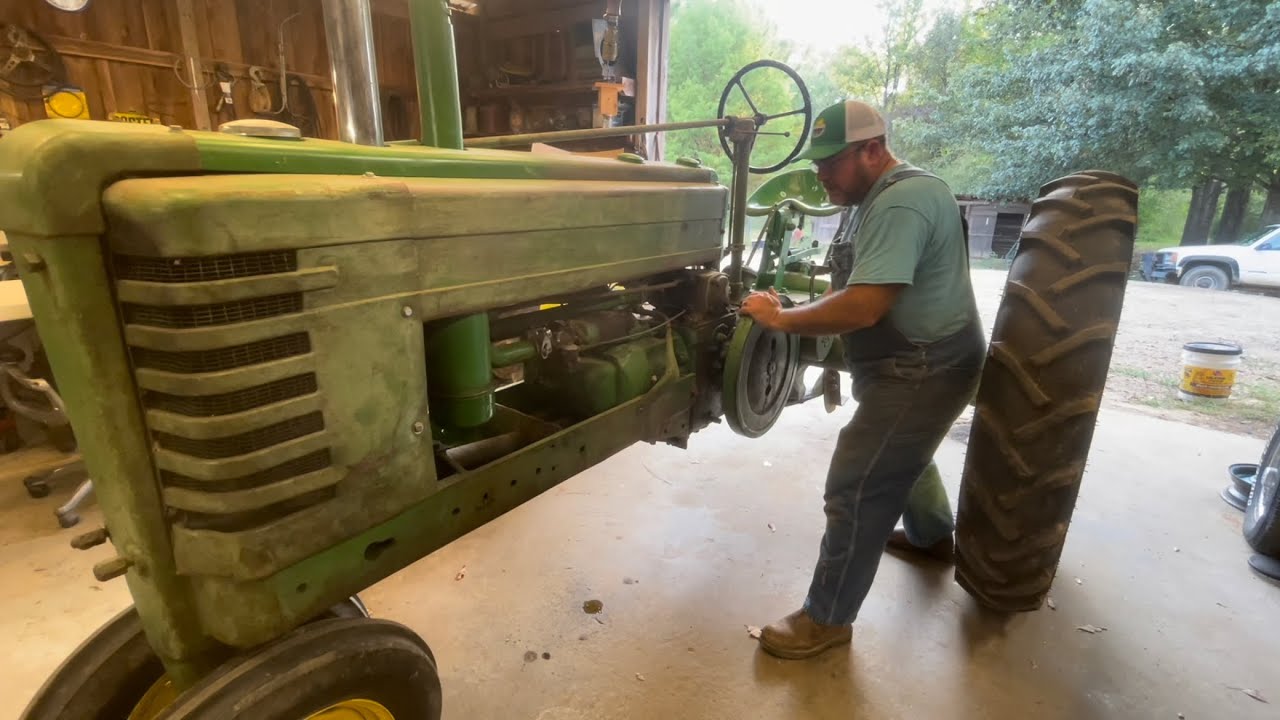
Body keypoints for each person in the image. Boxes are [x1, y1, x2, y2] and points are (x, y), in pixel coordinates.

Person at [738, 100, 985, 660]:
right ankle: (929, 537)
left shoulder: (903, 203)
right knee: (901, 453)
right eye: (818, 162)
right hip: (909, 357)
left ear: (873, 150)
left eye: (831, 162)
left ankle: (827, 619)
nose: (821, 173)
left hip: (923, 367)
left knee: (857, 485)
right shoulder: (870, 196)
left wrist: (781, 319)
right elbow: (858, 288)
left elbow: (865, 305)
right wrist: (799, 307)